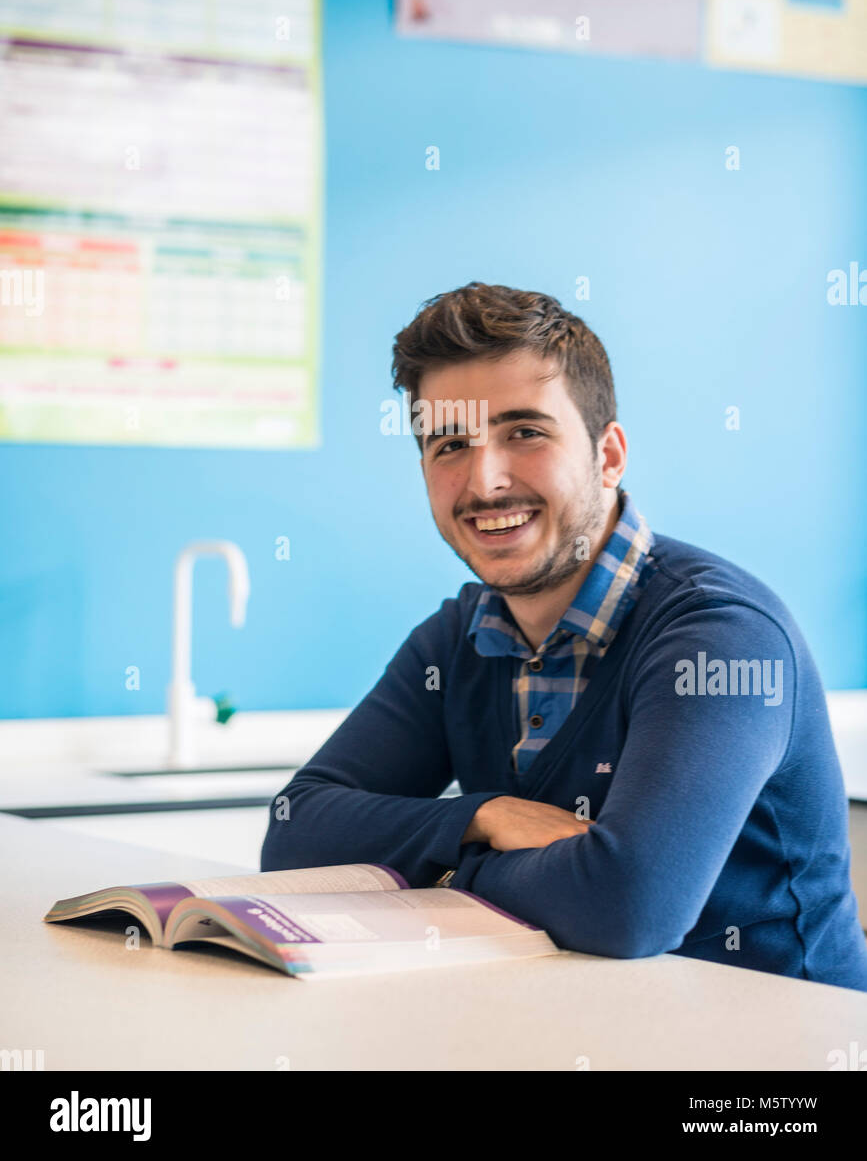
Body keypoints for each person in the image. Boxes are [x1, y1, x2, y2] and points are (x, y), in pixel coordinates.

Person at [261, 281, 867, 990]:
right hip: (572, 1030)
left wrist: (437, 864)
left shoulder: (719, 638)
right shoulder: (461, 634)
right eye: (449, 444)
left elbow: (628, 904)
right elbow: (294, 833)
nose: (484, 482)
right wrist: (482, 816)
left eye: (524, 432)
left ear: (608, 455)